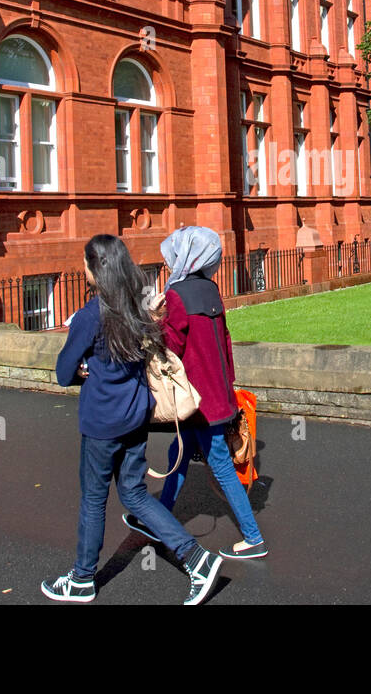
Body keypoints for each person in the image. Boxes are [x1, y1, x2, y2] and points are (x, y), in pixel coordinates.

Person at [41, 234, 223, 605]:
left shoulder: (91, 315)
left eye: (86, 262)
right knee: (135, 494)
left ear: (97, 268)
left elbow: (62, 372)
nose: (83, 268)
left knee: (94, 498)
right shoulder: (138, 309)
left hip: (103, 423)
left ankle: (81, 580)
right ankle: (197, 558)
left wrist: (82, 369)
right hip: (137, 416)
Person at [122, 227, 266, 560]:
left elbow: (172, 345)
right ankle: (159, 520)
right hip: (216, 393)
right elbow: (224, 342)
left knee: (221, 465)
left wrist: (153, 322)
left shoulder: (178, 294)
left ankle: (254, 537)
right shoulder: (210, 290)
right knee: (179, 453)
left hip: (196, 399)